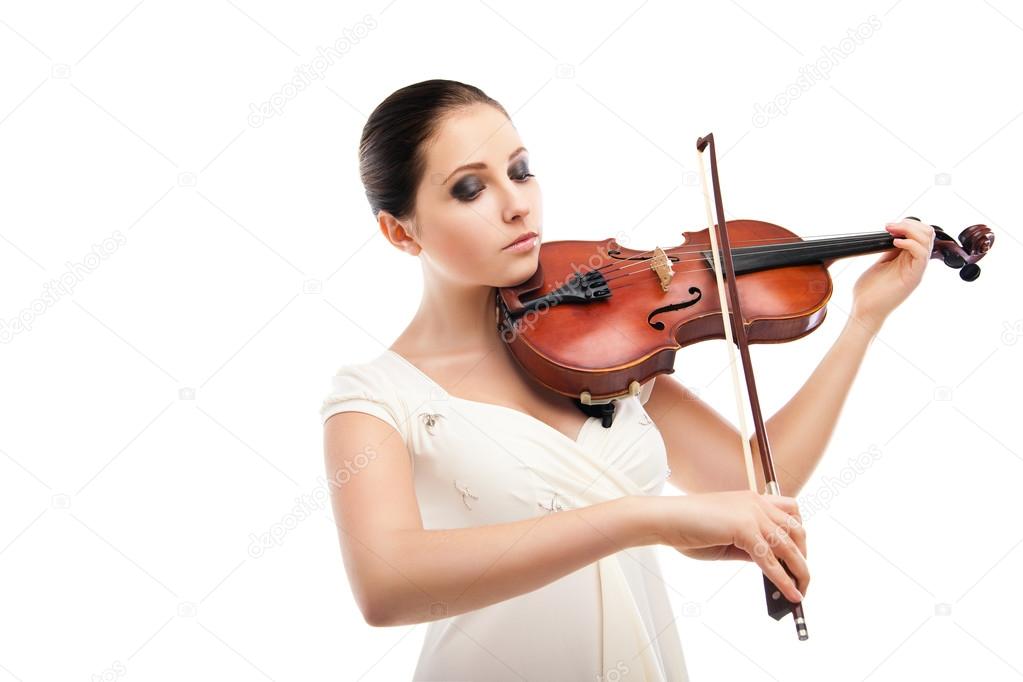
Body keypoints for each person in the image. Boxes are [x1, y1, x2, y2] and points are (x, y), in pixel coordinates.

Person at [321, 78, 935, 681]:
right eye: (470, 187)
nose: (516, 203)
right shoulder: (374, 398)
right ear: (401, 232)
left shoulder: (596, 349)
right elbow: (386, 587)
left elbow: (754, 476)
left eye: (521, 169)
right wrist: (647, 520)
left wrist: (862, 320)